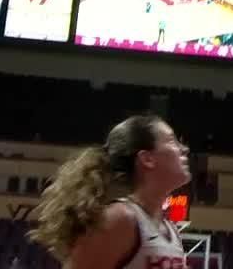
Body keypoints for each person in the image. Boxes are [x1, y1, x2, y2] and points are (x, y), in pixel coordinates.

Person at [28, 115, 190, 268]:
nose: (184, 149)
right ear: (147, 159)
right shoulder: (120, 219)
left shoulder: (170, 230)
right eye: (172, 141)